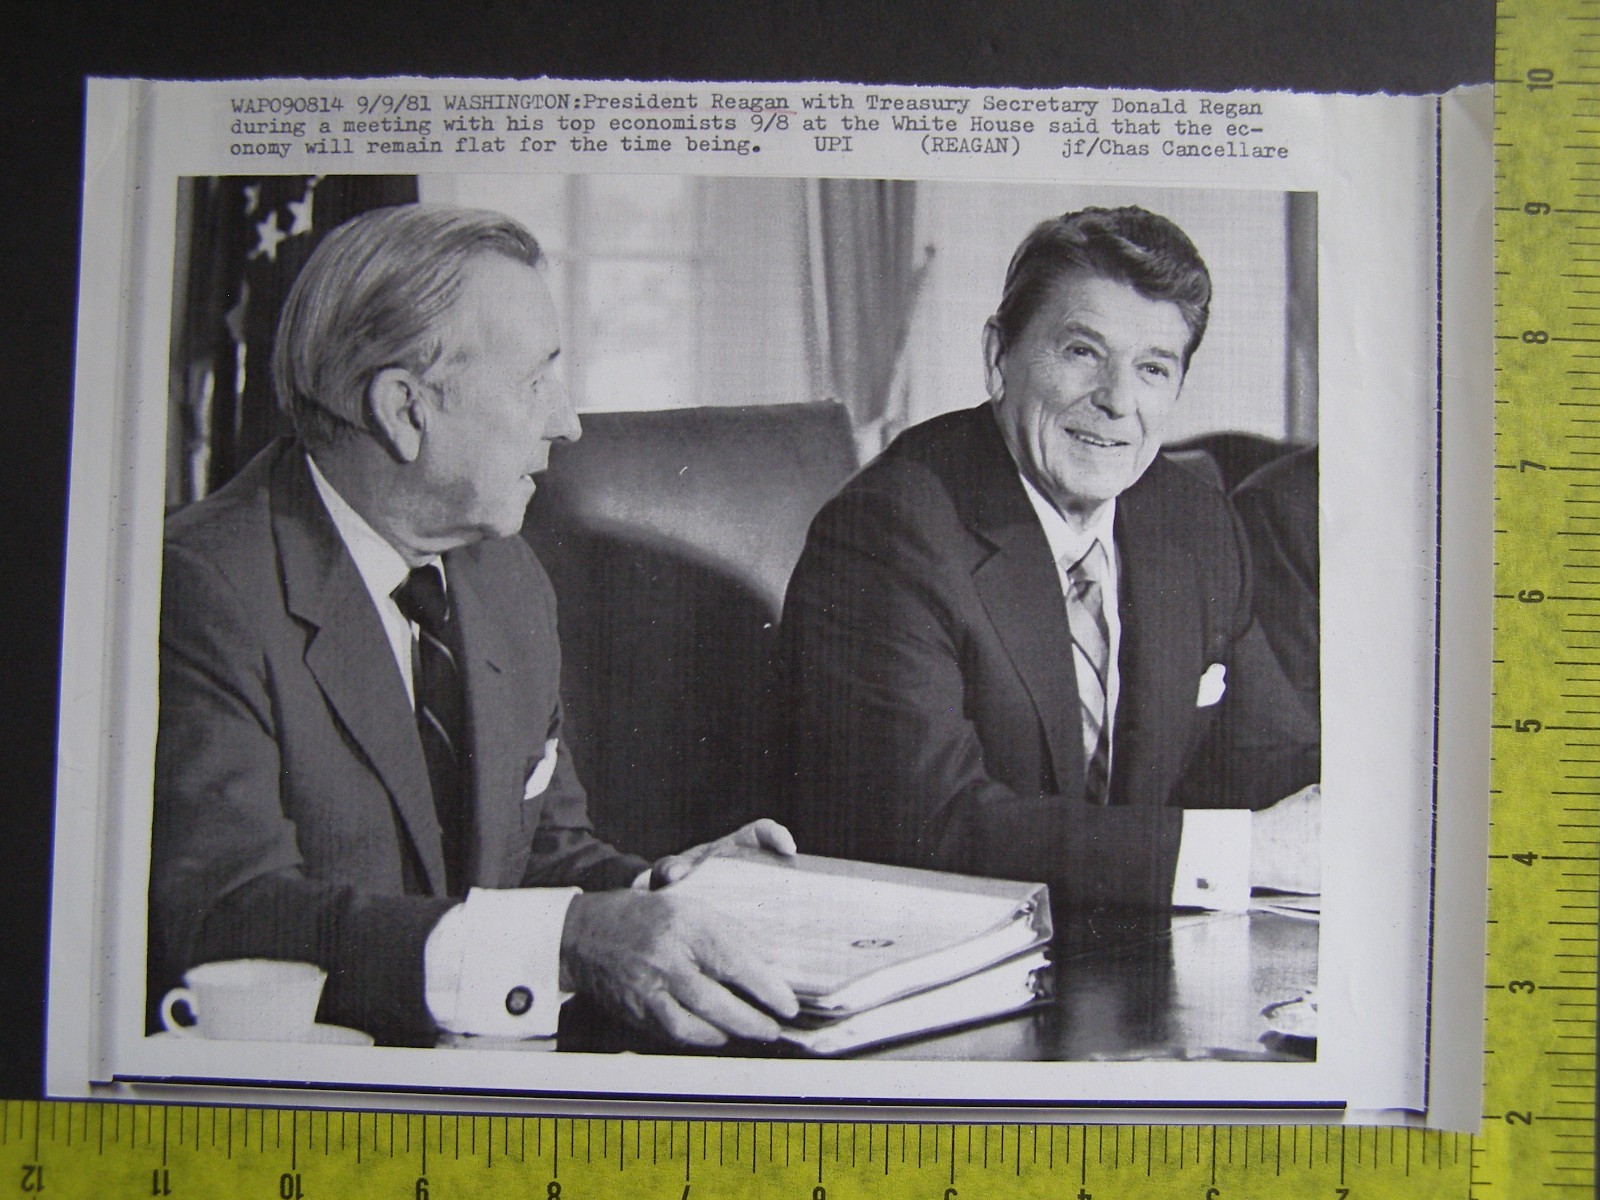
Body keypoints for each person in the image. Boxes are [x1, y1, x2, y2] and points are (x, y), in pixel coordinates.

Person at [151, 204, 798, 1049]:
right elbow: (228, 920)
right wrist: (569, 941)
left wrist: (664, 898)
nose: (567, 423)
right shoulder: (201, 588)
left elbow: (542, 858)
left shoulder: (508, 581)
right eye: (535, 383)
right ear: (404, 409)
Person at [781, 205, 1320, 912]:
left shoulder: (1195, 524)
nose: (1118, 401)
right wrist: (1248, 851)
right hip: (933, 962)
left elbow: (1265, 757)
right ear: (999, 356)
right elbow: (933, 821)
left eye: (1153, 369)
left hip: (1126, 959)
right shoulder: (890, 533)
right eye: (1082, 353)